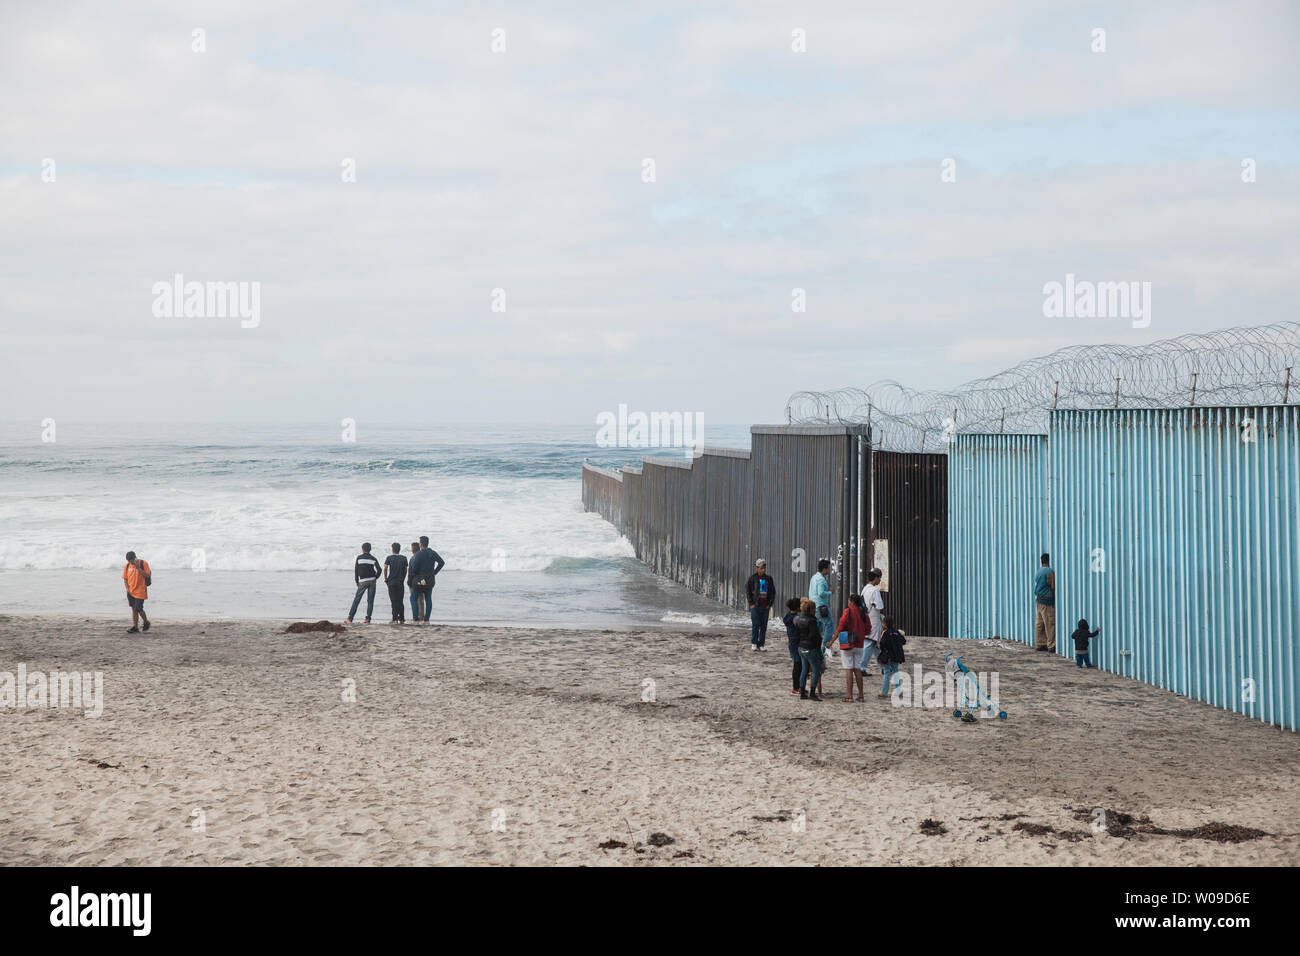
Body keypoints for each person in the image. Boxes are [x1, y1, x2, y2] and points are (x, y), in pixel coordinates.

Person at [835, 593, 869, 702]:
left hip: (848, 644)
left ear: (852, 602)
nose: (848, 603)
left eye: (849, 601)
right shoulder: (864, 613)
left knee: (848, 669)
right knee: (857, 669)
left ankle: (849, 696)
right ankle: (861, 695)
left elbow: (840, 627)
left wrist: (831, 641)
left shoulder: (847, 611)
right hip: (860, 645)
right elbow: (868, 629)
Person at [408, 535, 445, 624]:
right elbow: (441, 562)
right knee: (428, 598)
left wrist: (415, 576)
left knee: (413, 598)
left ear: (420, 544)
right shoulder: (432, 553)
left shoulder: (418, 554)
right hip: (430, 580)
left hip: (419, 581)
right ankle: (427, 620)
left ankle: (415, 620)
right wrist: (434, 572)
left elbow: (414, 568)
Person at [794, 598, 824, 701]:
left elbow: (797, 634)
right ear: (810, 609)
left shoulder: (799, 619)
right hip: (810, 648)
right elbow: (814, 636)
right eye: (814, 608)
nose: (815, 610)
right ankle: (812, 693)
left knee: (804, 670)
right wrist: (818, 647)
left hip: (801, 647)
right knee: (816, 670)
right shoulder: (811, 621)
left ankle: (802, 693)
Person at [347, 542, 381, 624]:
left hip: (363, 581)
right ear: (370, 549)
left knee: (357, 600)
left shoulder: (359, 558)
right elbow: (379, 570)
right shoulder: (373, 558)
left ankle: (350, 618)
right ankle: (367, 619)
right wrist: (375, 577)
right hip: (372, 580)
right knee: (370, 601)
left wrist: (356, 581)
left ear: (362, 549)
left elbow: (356, 570)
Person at [745, 558, 776, 651]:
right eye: (761, 568)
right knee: (755, 625)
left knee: (763, 626)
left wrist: (770, 604)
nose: (763, 570)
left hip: (765, 606)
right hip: (756, 606)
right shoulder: (752, 578)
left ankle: (761, 644)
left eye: (764, 568)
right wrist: (751, 603)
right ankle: (754, 643)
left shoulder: (769, 579)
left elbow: (773, 592)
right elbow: (748, 591)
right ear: (757, 568)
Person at [877, 616, 907, 698]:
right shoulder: (897, 632)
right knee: (895, 672)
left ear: (885, 624)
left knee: (886, 672)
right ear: (893, 624)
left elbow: (882, 644)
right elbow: (903, 641)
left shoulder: (885, 632)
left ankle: (884, 692)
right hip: (896, 656)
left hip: (888, 655)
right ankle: (899, 691)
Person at [121, 550, 152, 633]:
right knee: (133, 609)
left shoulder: (143, 563)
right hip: (131, 591)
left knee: (138, 608)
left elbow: (147, 575)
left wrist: (138, 568)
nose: (130, 562)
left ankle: (146, 622)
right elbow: (125, 578)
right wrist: (127, 589)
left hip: (140, 590)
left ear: (135, 558)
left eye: (131, 560)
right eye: (128, 560)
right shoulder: (127, 566)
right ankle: (135, 627)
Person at [861, 569, 884, 675]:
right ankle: (861, 668)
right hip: (873, 621)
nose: (880, 580)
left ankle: (883, 666)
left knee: (876, 645)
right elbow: (879, 606)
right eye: (879, 578)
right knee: (870, 644)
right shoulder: (874, 591)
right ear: (875, 578)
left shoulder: (865, 589)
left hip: (867, 618)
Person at [808, 559, 834, 652]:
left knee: (818, 627)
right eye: (828, 568)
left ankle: (816, 647)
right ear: (824, 569)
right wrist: (830, 592)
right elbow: (821, 593)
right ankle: (825, 647)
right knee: (830, 624)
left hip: (813, 606)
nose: (829, 570)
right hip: (821, 606)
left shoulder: (814, 577)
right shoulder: (821, 579)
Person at [1033, 553, 1056, 652]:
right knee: (1049, 623)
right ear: (1049, 561)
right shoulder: (1050, 571)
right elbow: (1052, 586)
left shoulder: (1038, 571)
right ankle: (1051, 645)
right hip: (1047, 601)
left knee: (1039, 623)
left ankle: (1040, 643)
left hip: (1038, 600)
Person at [383, 542, 408, 624]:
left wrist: (386, 578)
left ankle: (394, 618)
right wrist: (403, 578)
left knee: (393, 601)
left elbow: (385, 568)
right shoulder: (404, 558)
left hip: (391, 581)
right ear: (399, 549)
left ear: (392, 549)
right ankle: (402, 618)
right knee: (400, 601)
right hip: (400, 581)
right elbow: (405, 570)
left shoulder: (389, 558)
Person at [782, 598, 803, 695]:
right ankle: (796, 688)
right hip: (796, 644)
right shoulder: (796, 619)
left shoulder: (788, 616)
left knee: (797, 666)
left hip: (792, 644)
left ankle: (798, 687)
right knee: (798, 667)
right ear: (798, 607)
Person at [406, 542, 422, 622]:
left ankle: (415, 617)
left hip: (414, 582)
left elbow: (411, 572)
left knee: (413, 599)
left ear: (412, 549)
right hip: (422, 581)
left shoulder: (413, 558)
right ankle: (422, 616)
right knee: (421, 599)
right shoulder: (422, 557)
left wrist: (409, 582)